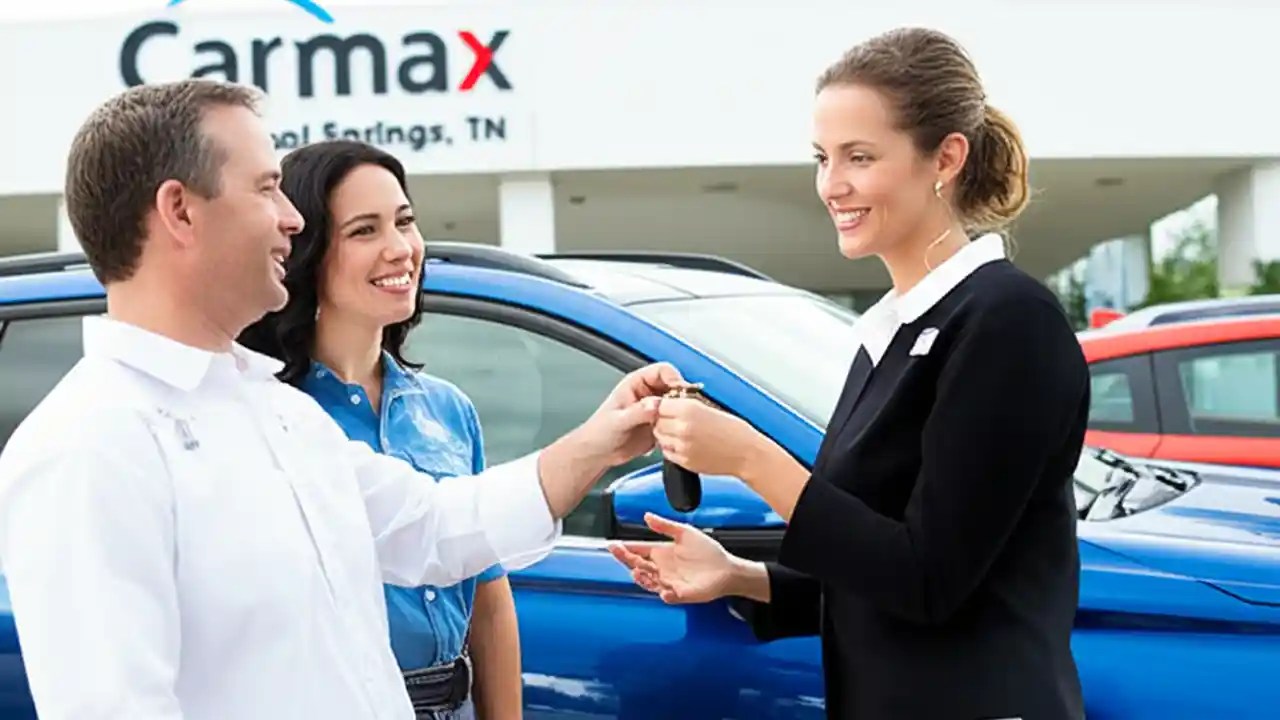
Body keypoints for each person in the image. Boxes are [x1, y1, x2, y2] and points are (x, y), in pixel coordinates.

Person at [0, 78, 682, 720]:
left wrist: (600, 442)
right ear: (180, 210)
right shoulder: (87, 446)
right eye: (267, 188)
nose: (292, 219)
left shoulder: (278, 412)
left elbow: (433, 529)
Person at [610, 27, 1090, 720]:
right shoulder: (892, 333)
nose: (831, 186)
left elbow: (927, 580)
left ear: (946, 157)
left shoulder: (1007, 322)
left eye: (859, 157)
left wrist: (749, 458)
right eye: (822, 158)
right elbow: (877, 568)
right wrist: (742, 577)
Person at [236, 139, 518, 720]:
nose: (400, 249)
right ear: (310, 253)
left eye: (405, 222)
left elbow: (488, 599)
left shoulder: (448, 410)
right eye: (364, 231)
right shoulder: (270, 414)